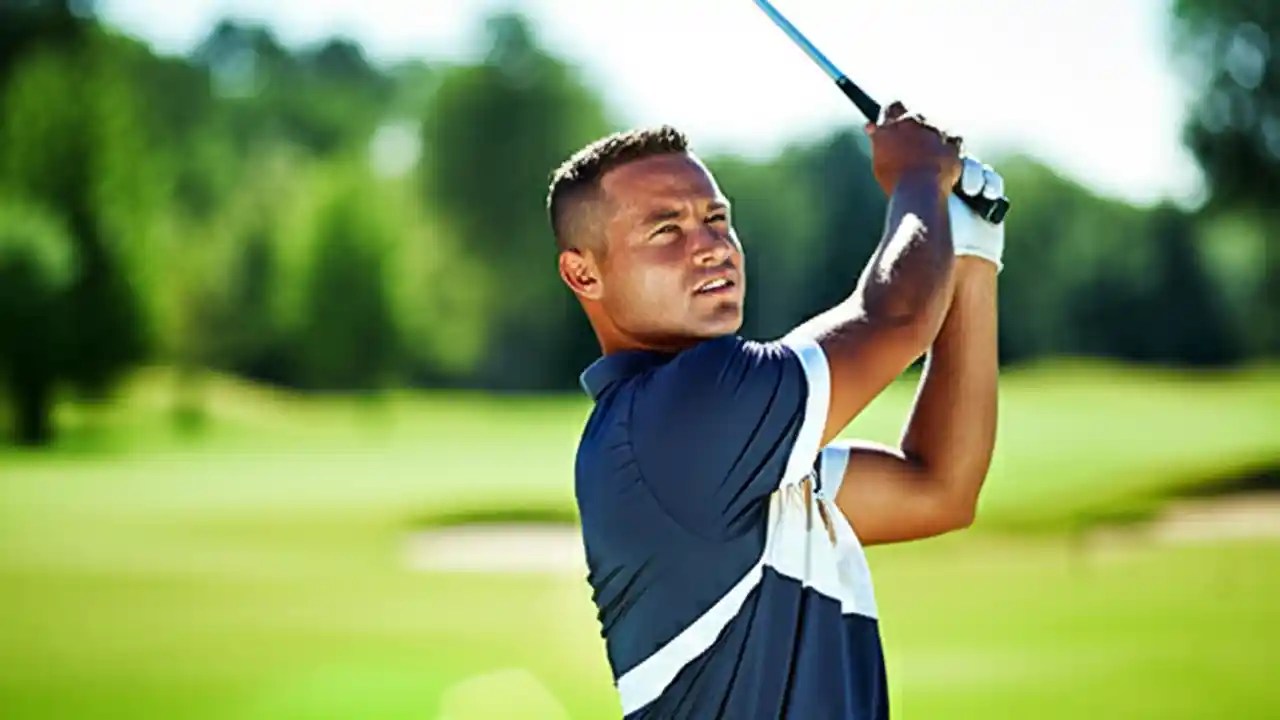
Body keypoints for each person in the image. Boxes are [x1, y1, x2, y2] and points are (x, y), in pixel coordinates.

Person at [546, 101, 1004, 719]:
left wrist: (971, 254)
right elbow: (894, 318)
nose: (711, 247)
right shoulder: (674, 417)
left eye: (716, 219)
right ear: (583, 274)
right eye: (666, 231)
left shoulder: (726, 445)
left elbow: (938, 488)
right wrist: (918, 177)